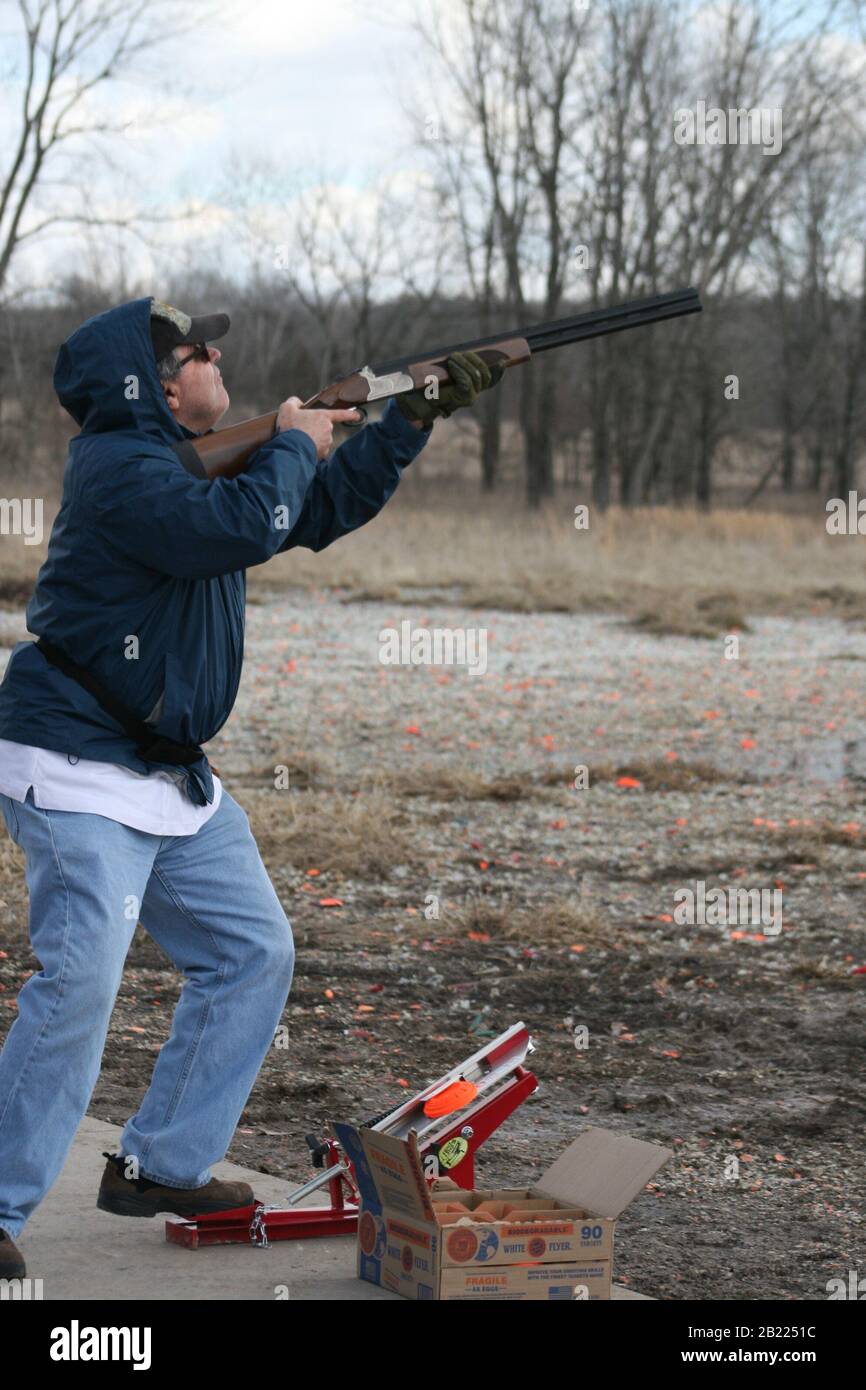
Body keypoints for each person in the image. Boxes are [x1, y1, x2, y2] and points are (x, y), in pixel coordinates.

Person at [0, 295, 502, 1277]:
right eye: (195, 349)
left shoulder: (209, 466)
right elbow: (239, 524)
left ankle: (163, 1163)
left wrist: (403, 419)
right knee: (81, 982)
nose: (215, 352)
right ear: (153, 383)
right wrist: (289, 438)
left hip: (166, 773)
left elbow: (311, 511)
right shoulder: (124, 470)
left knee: (251, 953)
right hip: (74, 762)